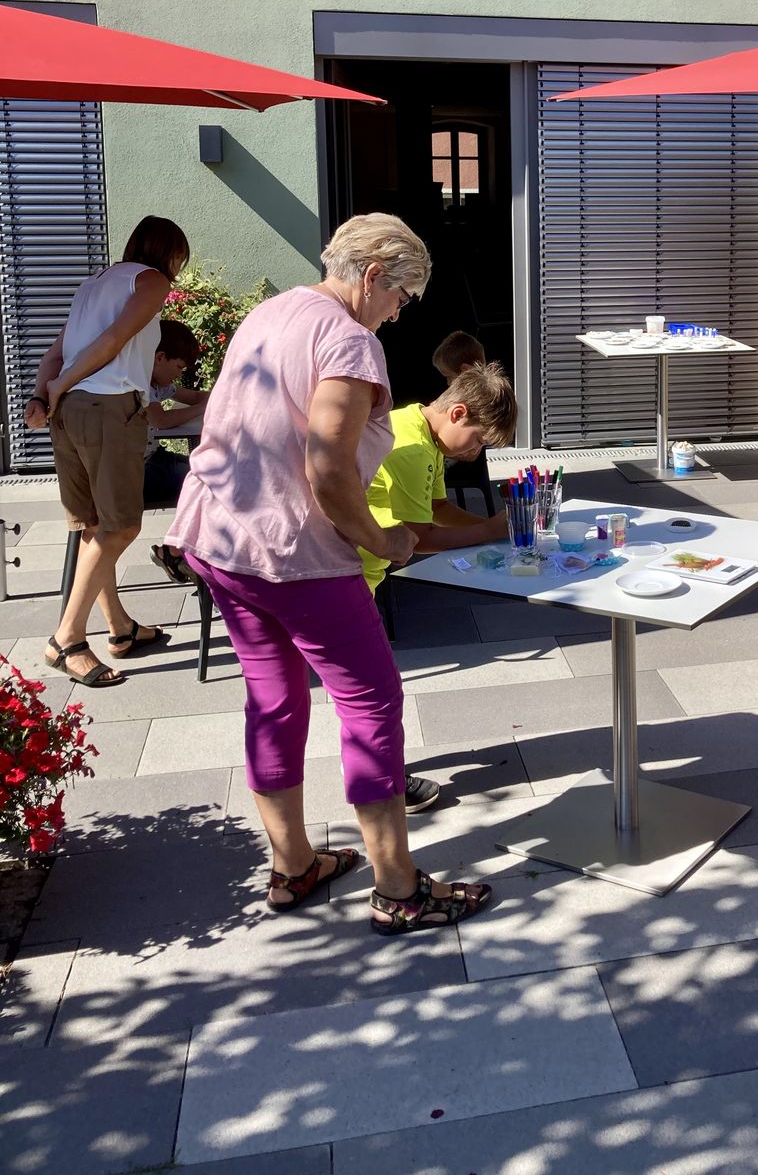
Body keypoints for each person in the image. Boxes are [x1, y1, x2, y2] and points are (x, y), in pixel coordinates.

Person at [165, 212, 493, 935]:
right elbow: (328, 471)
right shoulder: (349, 340)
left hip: (218, 538)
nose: (399, 312)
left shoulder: (273, 311)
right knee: (371, 704)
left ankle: (293, 866)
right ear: (373, 276)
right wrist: (384, 539)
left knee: (274, 699)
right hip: (294, 555)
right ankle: (398, 889)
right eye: (402, 296)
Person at [25, 216, 190, 688]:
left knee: (94, 526)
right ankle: (67, 639)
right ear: (170, 252)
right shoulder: (151, 281)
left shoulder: (93, 283)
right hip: (107, 407)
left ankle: (119, 628)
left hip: (69, 413)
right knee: (121, 526)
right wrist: (60, 384)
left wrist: (43, 395)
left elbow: (55, 353)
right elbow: (114, 341)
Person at [360, 362, 516, 598]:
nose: (475, 453)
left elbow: (438, 508)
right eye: (478, 440)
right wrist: (489, 531)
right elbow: (421, 539)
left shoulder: (420, 425)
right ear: (458, 414)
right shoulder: (415, 452)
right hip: (351, 569)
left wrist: (495, 530)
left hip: (359, 567)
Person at [144, 319, 209, 508]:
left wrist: (223, 397)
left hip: (155, 458)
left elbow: (194, 396)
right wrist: (202, 408)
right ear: (160, 358)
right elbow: (161, 420)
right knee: (208, 481)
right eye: (178, 367)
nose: (179, 375)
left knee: (205, 469)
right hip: (142, 469)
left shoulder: (158, 384)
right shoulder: (142, 385)